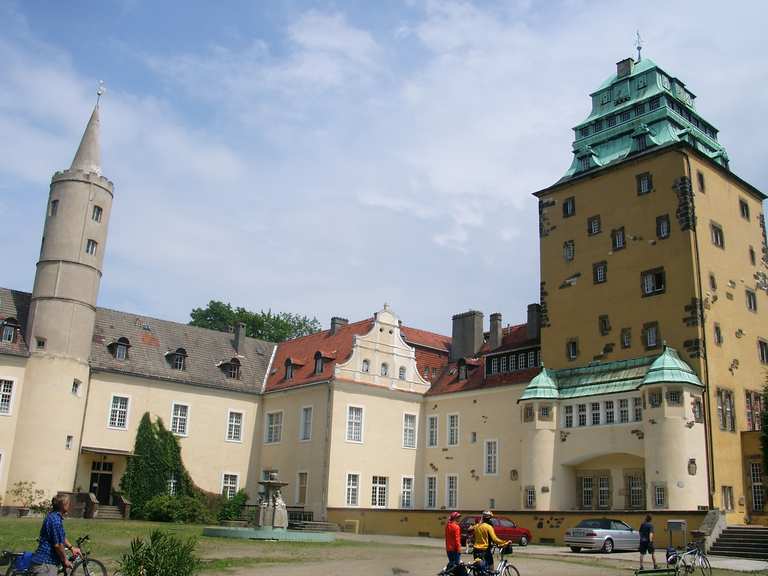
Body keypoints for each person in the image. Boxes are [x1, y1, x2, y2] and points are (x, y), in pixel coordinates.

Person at [29, 494, 80, 575]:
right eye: (68, 503)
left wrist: (71, 547)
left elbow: (61, 537)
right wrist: (65, 560)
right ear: (63, 505)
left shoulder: (53, 516)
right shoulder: (55, 521)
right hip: (45, 564)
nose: (70, 505)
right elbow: (58, 545)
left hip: (46, 563)